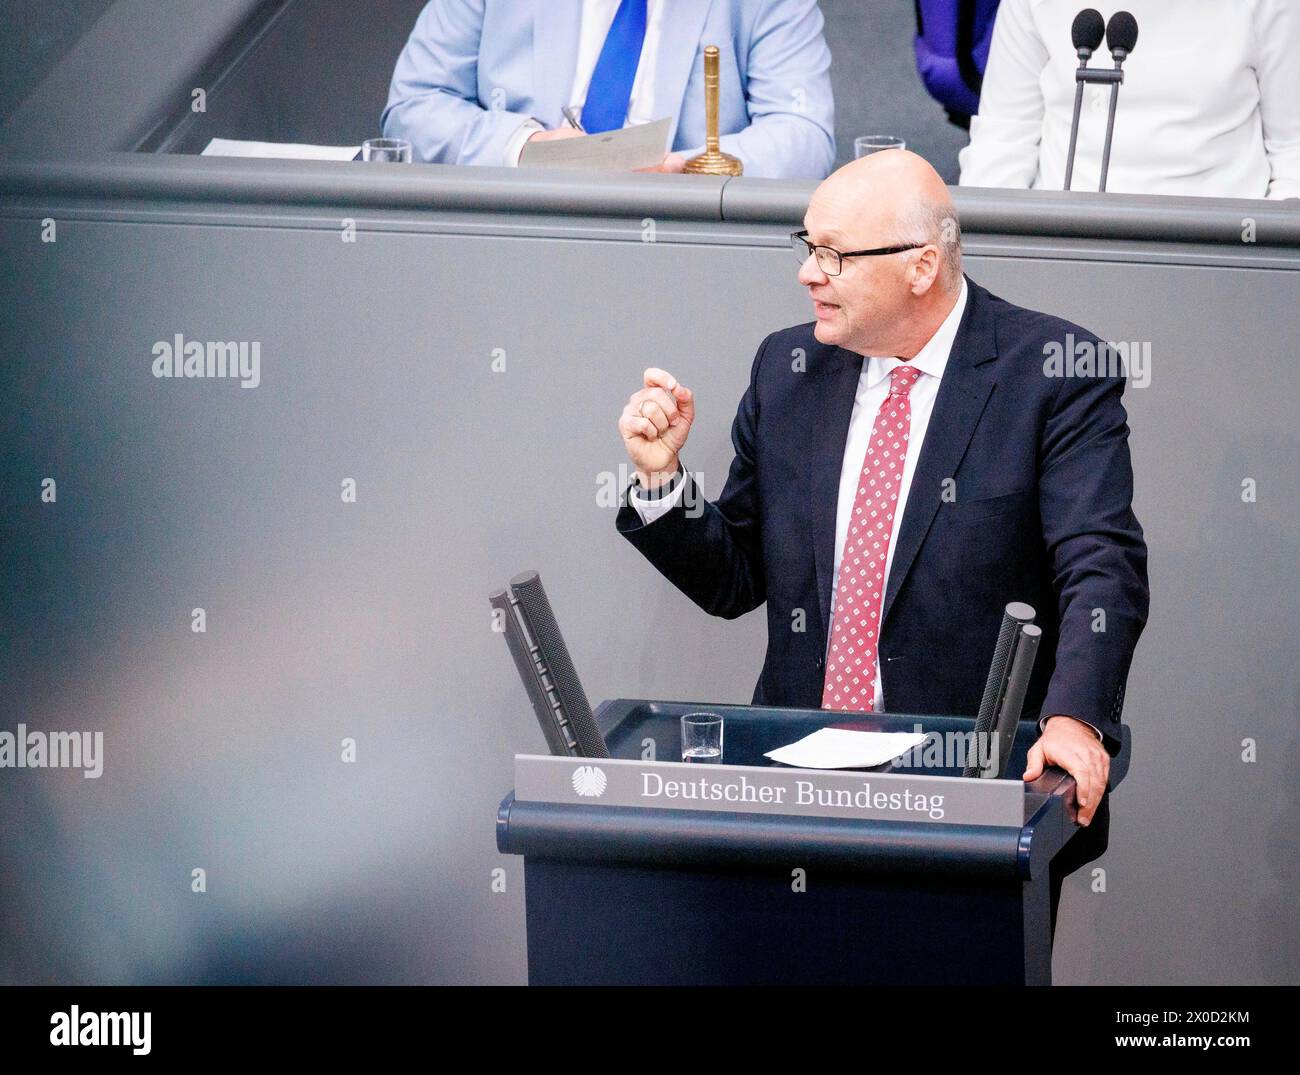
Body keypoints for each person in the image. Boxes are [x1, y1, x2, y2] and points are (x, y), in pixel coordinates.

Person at [614, 150, 1150, 934]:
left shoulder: (1053, 375)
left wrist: (1073, 719)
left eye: (833, 254)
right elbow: (736, 578)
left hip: (969, 794)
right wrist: (664, 485)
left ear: (922, 266)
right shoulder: (788, 368)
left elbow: (1101, 567)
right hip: (798, 788)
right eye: (807, 248)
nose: (809, 273)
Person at [381, 0, 835, 179]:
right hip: (517, 225)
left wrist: (685, 170)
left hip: (685, 242)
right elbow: (415, 106)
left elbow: (804, 135)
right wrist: (525, 146)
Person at [959, 0, 1300, 198]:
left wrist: (1271, 265)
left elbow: (1293, 151)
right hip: (1067, 243)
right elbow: (1002, 142)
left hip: (1223, 252)